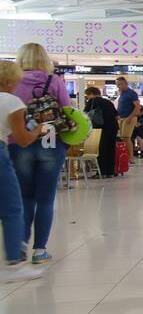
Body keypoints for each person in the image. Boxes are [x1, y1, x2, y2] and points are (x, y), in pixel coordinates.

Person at [9, 42, 69, 265]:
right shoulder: (54, 82)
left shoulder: (11, 83)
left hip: (19, 143)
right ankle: (40, 250)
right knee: (45, 198)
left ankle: (21, 244)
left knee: (24, 197)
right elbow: (67, 110)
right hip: (50, 143)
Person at [0, 61, 48, 280]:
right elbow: (22, 139)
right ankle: (14, 263)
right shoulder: (12, 102)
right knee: (12, 208)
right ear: (10, 81)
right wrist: (37, 130)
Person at [83, 86, 120, 178]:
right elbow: (117, 116)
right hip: (113, 127)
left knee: (101, 149)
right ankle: (110, 172)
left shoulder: (92, 101)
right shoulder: (108, 102)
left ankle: (102, 172)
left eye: (87, 96)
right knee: (111, 149)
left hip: (100, 128)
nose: (87, 98)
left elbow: (85, 115)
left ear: (91, 94)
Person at [114, 76, 143, 158]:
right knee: (123, 137)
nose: (119, 86)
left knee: (126, 137)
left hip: (129, 118)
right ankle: (125, 156)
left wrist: (130, 117)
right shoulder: (121, 93)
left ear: (126, 84)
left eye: (120, 84)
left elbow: (137, 106)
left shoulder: (131, 93)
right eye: (117, 84)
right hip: (121, 118)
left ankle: (130, 157)